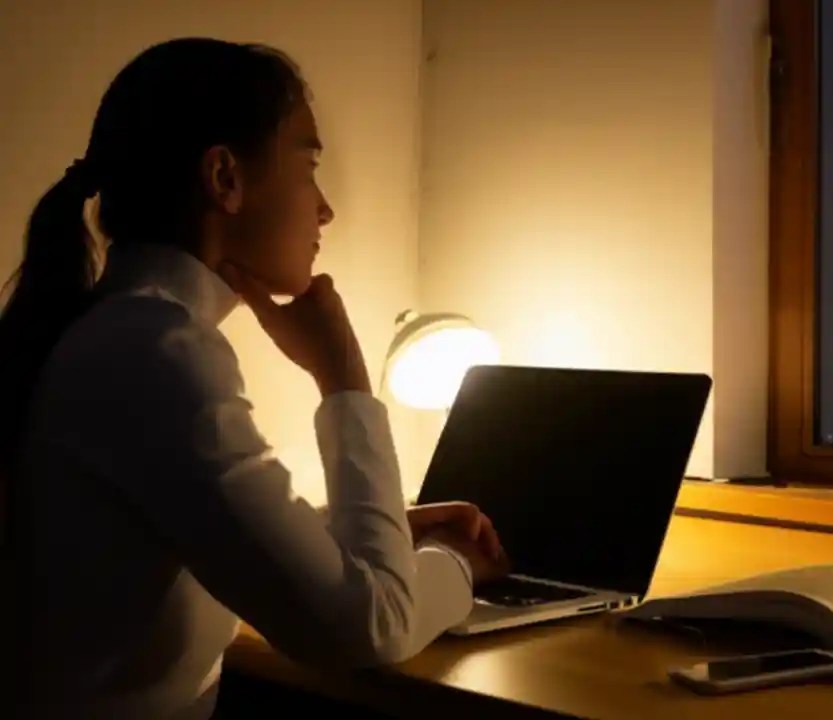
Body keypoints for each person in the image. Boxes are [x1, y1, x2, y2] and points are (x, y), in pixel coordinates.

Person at [0, 37, 508, 719]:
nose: (323, 208)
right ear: (224, 179)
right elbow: (367, 627)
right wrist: (453, 564)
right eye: (308, 166)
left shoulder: (118, 330)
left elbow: (187, 531)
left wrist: (362, 530)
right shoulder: (157, 353)